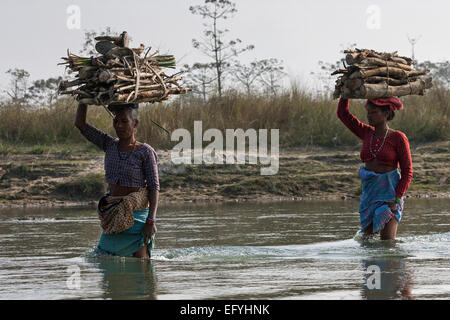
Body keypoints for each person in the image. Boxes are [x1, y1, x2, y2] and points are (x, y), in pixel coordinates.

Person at [75, 102, 160, 258]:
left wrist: (151, 221)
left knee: (141, 269)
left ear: (135, 123)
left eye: (124, 121)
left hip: (138, 220)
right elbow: (80, 124)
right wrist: (84, 99)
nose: (119, 125)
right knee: (105, 259)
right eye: (116, 121)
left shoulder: (145, 151)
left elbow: (154, 187)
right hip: (114, 215)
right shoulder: (109, 144)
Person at [337, 97, 413, 240]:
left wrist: (396, 198)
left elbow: (407, 172)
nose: (369, 115)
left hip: (390, 195)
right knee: (367, 242)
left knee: (387, 244)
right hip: (369, 195)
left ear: (386, 114)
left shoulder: (398, 138)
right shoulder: (366, 133)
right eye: (368, 112)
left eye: (374, 112)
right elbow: (343, 114)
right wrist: (345, 94)